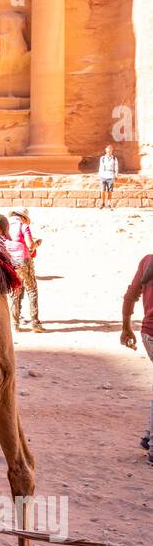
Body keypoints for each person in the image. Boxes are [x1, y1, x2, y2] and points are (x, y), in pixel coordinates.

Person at [121, 250, 153, 466]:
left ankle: (148, 437)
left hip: (147, 333)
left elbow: (130, 295)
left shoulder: (147, 260)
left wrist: (126, 329)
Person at [6, 206, 43, 332]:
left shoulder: (6, 225)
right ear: (23, 217)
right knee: (32, 289)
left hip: (11, 261)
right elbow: (30, 245)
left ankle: (15, 324)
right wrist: (37, 243)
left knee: (14, 292)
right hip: (24, 261)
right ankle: (35, 322)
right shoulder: (23, 226)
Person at [98, 143, 119, 209]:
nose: (109, 152)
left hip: (111, 175)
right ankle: (103, 203)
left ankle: (109, 204)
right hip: (103, 175)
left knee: (110, 191)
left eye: (110, 151)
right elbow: (100, 167)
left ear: (112, 151)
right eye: (107, 151)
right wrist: (100, 175)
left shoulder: (114, 158)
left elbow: (116, 167)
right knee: (103, 190)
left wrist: (116, 175)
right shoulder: (102, 158)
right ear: (106, 151)